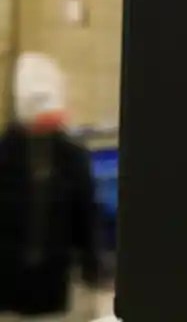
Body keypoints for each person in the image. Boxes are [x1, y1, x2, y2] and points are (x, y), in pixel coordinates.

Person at [0, 53, 105, 321]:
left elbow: (85, 216)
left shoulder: (71, 157)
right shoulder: (6, 155)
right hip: (9, 289)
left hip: (53, 287)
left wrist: (92, 269)